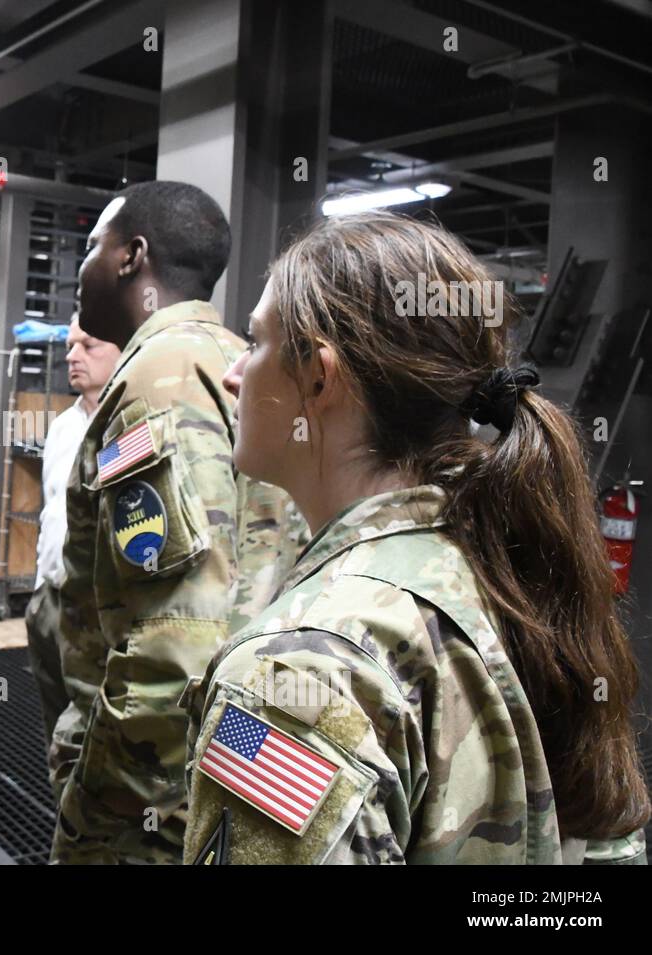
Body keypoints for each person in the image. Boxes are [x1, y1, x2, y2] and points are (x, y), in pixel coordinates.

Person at [184, 211, 650, 865]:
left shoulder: (293, 674)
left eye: (256, 342)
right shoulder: (513, 569)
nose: (233, 373)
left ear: (319, 377)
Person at [51, 181, 298, 864]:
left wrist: (89, 818)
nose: (82, 266)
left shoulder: (160, 377)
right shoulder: (232, 360)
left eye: (94, 246)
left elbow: (178, 642)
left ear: (132, 257)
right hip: (236, 755)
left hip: (158, 796)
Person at [26, 315, 121, 751]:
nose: (72, 355)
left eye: (88, 344)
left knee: (100, 737)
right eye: (69, 345)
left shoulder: (131, 428)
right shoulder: (63, 427)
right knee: (56, 733)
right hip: (49, 600)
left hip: (99, 612)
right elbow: (53, 514)